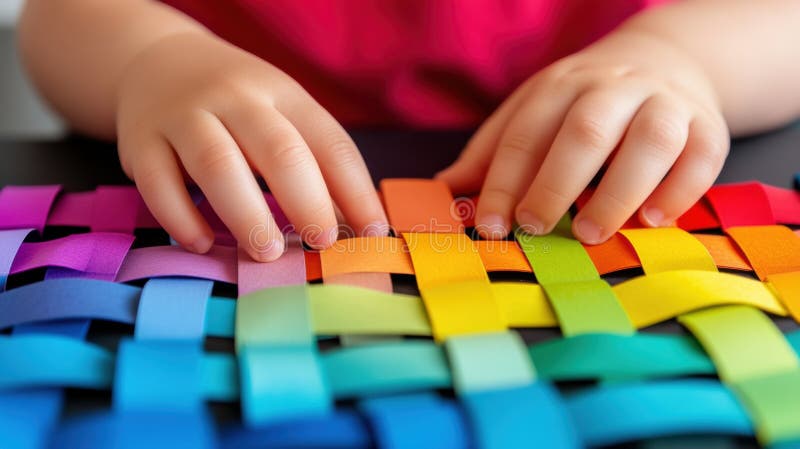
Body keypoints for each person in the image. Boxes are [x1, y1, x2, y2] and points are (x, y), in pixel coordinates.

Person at [18, 0, 800, 262]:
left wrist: (684, 59)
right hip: (233, 254)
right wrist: (152, 60)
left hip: (592, 260)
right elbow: (62, 16)